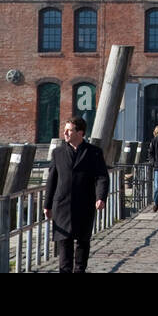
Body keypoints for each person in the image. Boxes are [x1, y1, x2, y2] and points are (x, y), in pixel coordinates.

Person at [45, 117, 109, 273]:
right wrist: (47, 205)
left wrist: (100, 197)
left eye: (69, 130)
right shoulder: (58, 153)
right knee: (64, 242)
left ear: (80, 133)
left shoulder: (94, 152)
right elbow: (52, 180)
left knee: (82, 241)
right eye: (65, 129)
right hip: (62, 205)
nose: (65, 133)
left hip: (84, 204)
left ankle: (80, 269)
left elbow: (102, 177)